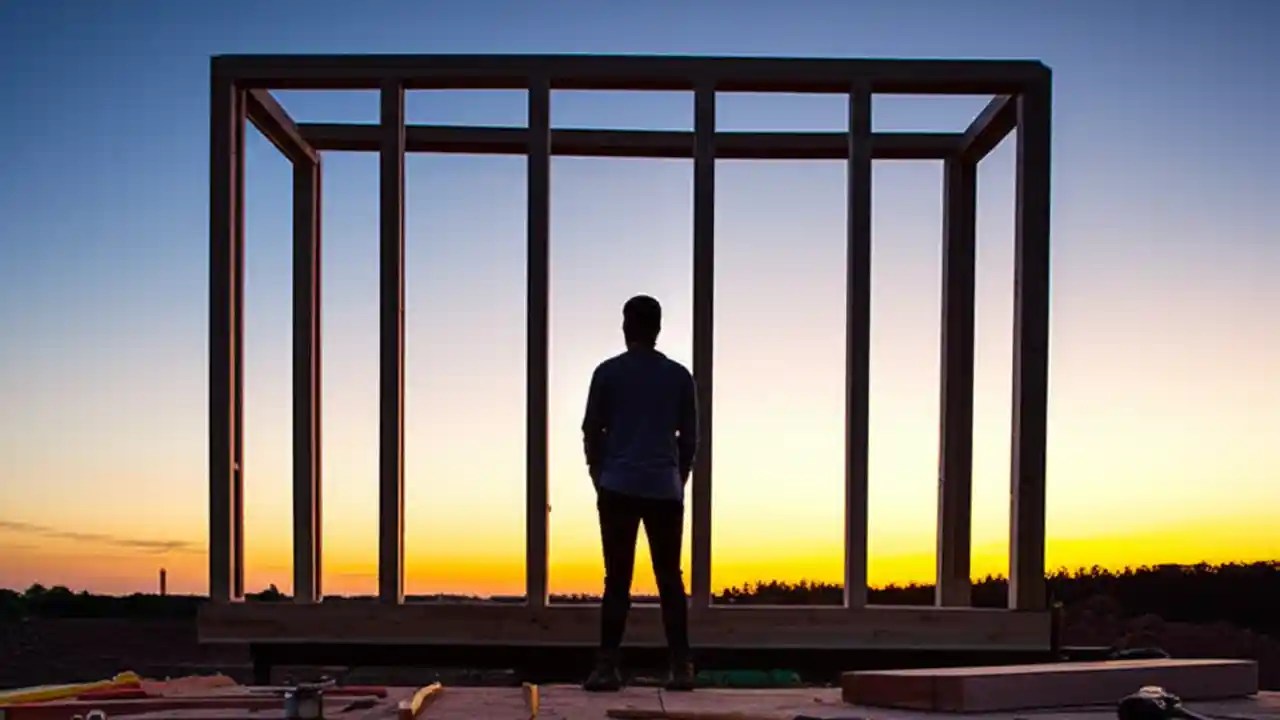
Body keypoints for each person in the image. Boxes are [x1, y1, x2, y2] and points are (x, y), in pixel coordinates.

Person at [580, 295, 698, 692]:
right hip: (663, 489)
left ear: (627, 326)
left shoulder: (608, 373)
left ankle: (606, 666)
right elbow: (690, 438)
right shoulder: (679, 376)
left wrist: (599, 474)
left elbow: (591, 429)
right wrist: (676, 479)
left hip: (619, 486)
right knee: (670, 580)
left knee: (617, 579)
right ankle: (680, 666)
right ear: (658, 328)